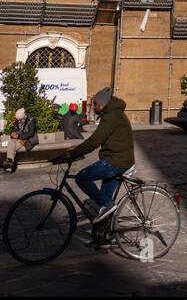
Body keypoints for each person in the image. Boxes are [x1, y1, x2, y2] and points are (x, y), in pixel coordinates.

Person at [55, 88, 134, 233]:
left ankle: (107, 205)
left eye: (95, 105)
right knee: (103, 206)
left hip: (116, 161)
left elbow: (94, 141)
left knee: (82, 178)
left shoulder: (111, 117)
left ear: (103, 105)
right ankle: (101, 237)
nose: (93, 108)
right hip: (117, 158)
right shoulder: (112, 114)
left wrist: (72, 154)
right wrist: (75, 151)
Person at [1, 107, 38, 174]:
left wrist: (19, 136)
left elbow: (31, 133)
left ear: (24, 117)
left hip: (28, 140)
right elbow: (15, 130)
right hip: (19, 139)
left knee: (13, 147)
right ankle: (10, 161)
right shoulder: (17, 120)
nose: (18, 122)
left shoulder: (31, 120)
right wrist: (13, 134)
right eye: (17, 120)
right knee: (11, 142)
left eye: (20, 120)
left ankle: (9, 166)